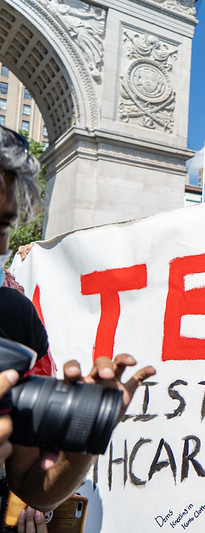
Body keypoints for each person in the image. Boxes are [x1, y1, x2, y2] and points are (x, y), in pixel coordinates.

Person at [0, 125, 154, 513]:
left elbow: (35, 487)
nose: (1, 244)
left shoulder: (15, 319)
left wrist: (87, 429)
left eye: (4, 225)